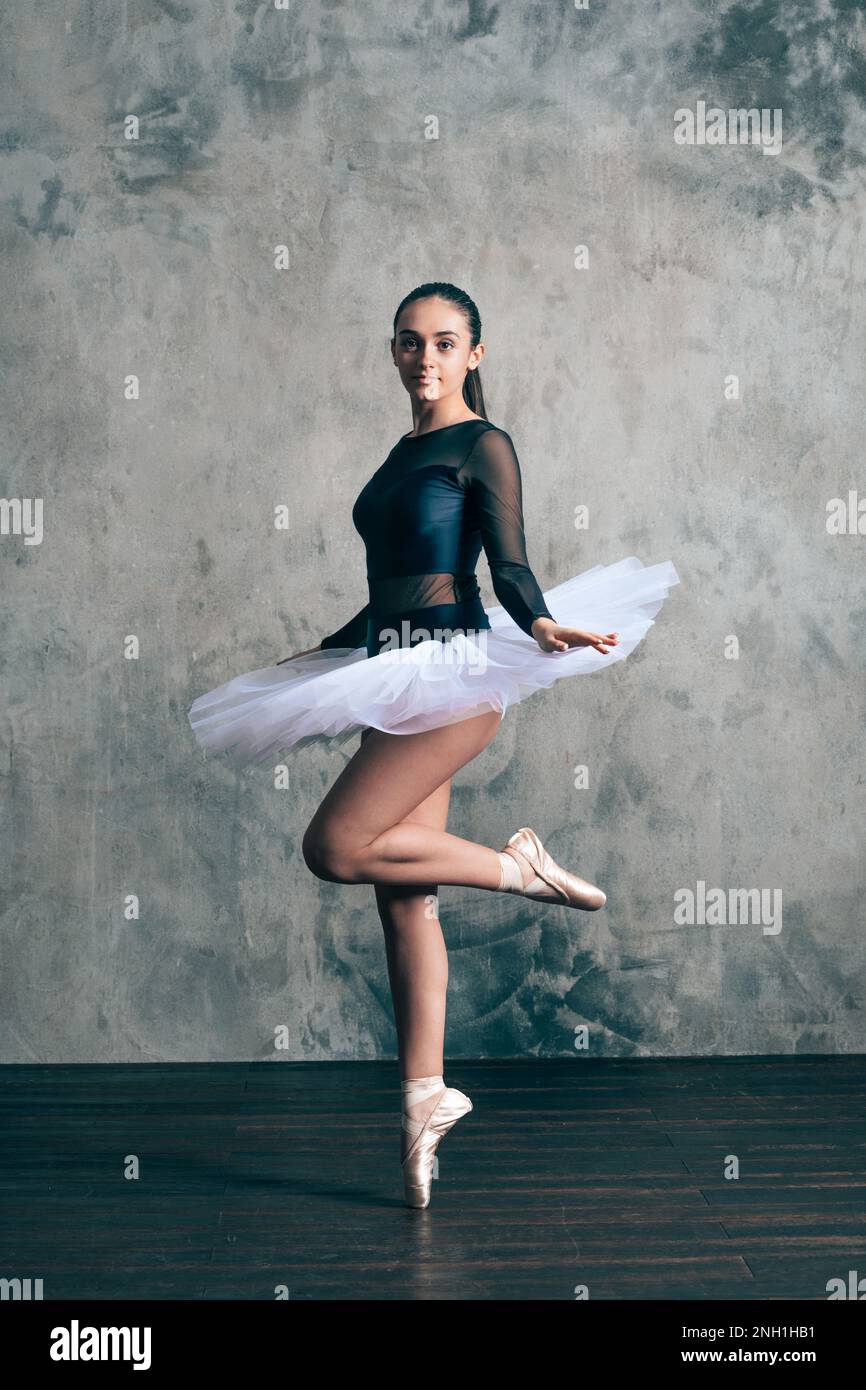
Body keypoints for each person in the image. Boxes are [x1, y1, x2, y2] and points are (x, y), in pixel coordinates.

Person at [188, 282, 680, 1209]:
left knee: (333, 847)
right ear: (394, 353)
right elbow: (397, 582)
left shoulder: (481, 443)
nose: (426, 359)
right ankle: (424, 1105)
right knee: (405, 900)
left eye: (445, 343)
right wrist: (330, 650)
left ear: (475, 355)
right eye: (411, 344)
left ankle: (520, 869)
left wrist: (540, 627)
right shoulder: (404, 449)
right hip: (394, 672)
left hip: (454, 679)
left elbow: (509, 562)